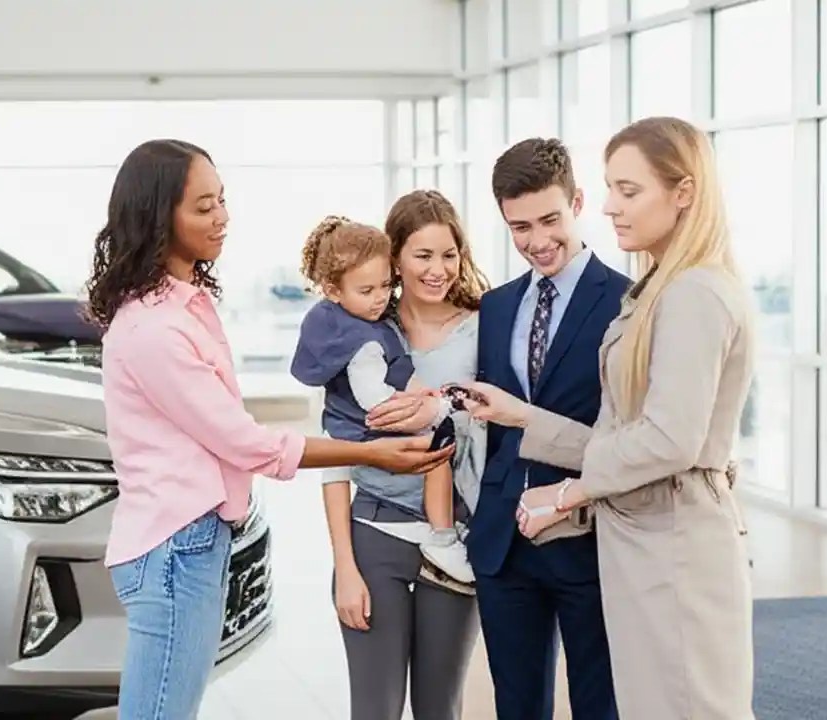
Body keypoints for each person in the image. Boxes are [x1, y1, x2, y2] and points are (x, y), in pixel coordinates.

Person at [85, 139, 453, 720]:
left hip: (189, 540)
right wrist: (371, 454)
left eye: (222, 200)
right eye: (203, 207)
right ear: (161, 218)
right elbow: (243, 441)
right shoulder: (154, 328)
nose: (222, 217)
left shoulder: (183, 304)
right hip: (175, 547)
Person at [461, 117, 757, 720]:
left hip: (666, 540)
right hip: (642, 538)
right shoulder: (662, 289)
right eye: (611, 188)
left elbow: (670, 440)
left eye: (629, 190)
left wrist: (568, 492)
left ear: (683, 192)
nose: (612, 207)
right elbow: (633, 435)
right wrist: (522, 418)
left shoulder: (690, 292)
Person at [465, 137, 629, 720]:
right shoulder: (497, 305)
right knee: (516, 706)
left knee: (598, 705)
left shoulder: (626, 303)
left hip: (588, 539)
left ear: (578, 201)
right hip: (504, 545)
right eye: (519, 227)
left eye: (549, 219)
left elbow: (628, 432)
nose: (536, 241)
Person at [320, 189, 488, 719]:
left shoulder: (484, 328)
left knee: (441, 709)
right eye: (422, 256)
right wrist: (344, 566)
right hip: (374, 540)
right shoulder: (360, 330)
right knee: (376, 710)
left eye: (448, 254)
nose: (438, 270)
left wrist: (442, 413)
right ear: (394, 258)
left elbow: (499, 424)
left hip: (454, 541)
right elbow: (334, 453)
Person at [290, 214, 474, 583]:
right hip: (375, 505)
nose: (379, 298)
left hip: (448, 503)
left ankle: (444, 534)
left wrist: (428, 395)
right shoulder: (368, 338)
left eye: (383, 287)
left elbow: (404, 376)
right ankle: (443, 537)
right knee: (437, 453)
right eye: (423, 256)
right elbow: (375, 403)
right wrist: (434, 409)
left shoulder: (347, 324)